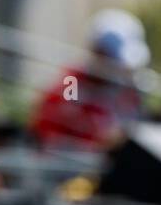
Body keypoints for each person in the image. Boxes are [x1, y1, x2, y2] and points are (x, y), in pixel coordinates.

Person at [30, 9, 149, 151]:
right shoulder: (72, 82)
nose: (121, 69)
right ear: (96, 51)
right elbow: (56, 123)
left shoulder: (130, 90)